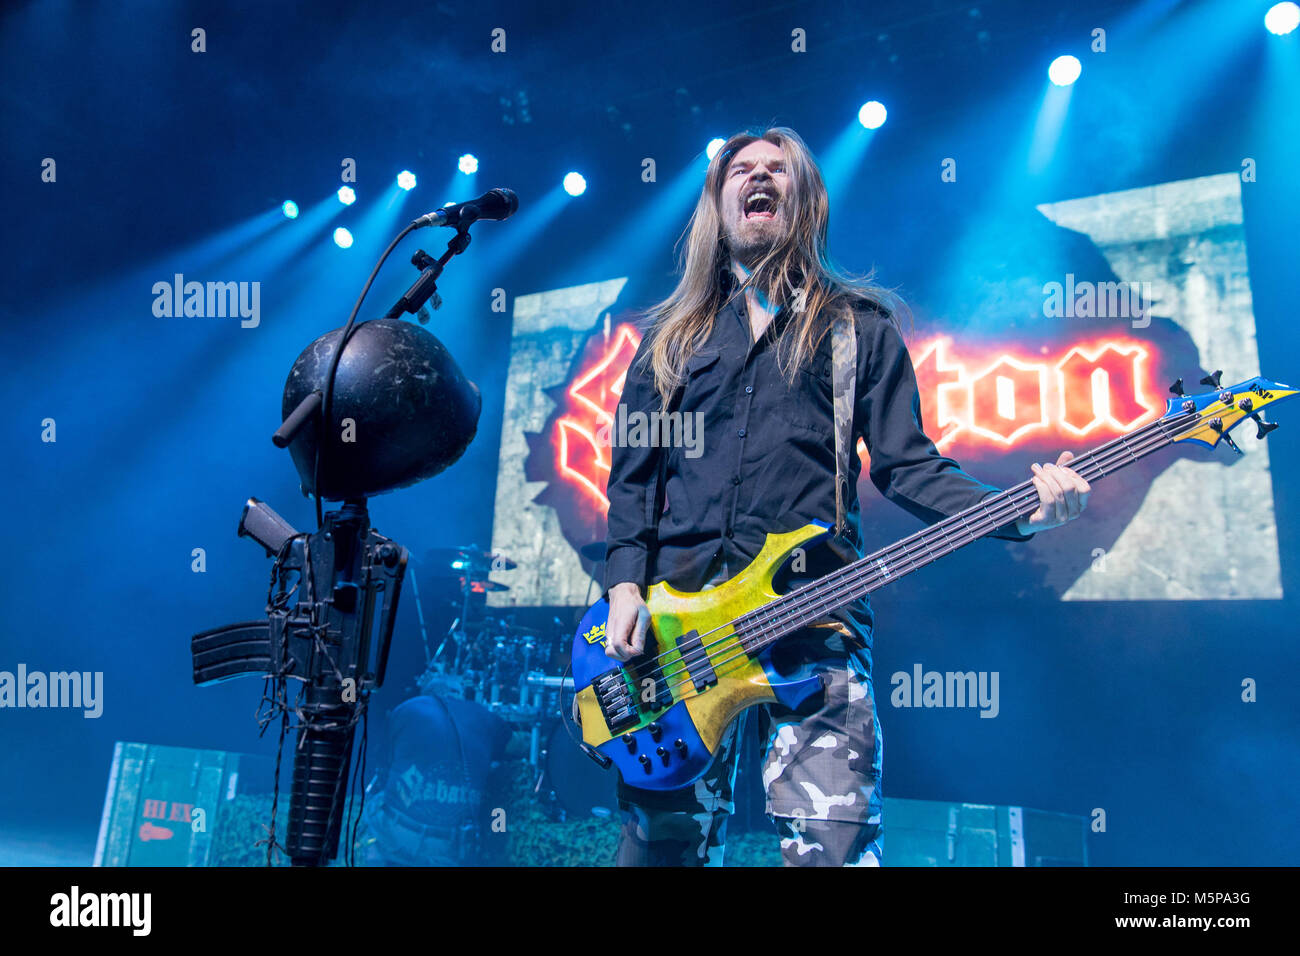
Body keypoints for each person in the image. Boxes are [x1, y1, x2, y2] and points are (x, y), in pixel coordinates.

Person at [601, 127, 1090, 867]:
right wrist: (624, 586)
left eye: (778, 169)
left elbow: (909, 467)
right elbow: (635, 478)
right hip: (681, 635)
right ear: (718, 201)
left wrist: (1018, 509)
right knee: (660, 849)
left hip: (816, 623)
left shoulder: (857, 329)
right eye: (742, 170)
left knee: (836, 851)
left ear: (805, 199)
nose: (759, 178)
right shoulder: (671, 343)